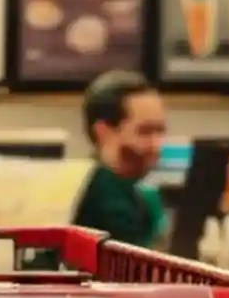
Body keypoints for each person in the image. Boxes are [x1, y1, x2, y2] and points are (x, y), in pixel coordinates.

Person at [72, 69, 168, 249]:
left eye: (160, 131)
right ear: (104, 132)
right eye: (145, 132)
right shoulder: (98, 196)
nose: (157, 145)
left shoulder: (138, 194)